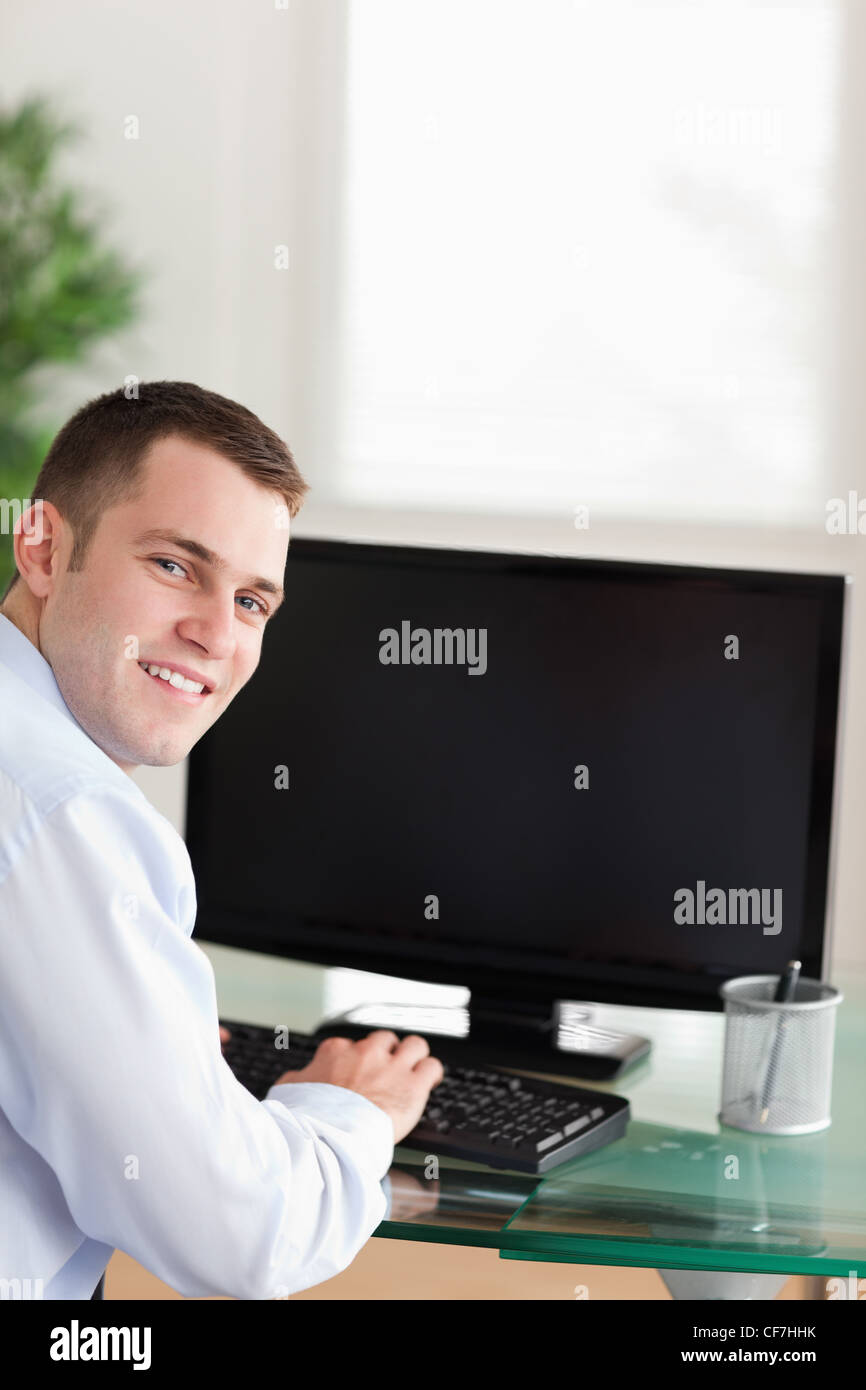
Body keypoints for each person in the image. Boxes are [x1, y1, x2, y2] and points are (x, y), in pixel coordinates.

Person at [0, 381, 443, 1300]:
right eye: (173, 566)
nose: (212, 633)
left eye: (252, 602)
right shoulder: (64, 810)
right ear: (43, 546)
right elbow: (241, 1238)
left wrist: (154, 1045)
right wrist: (354, 1111)